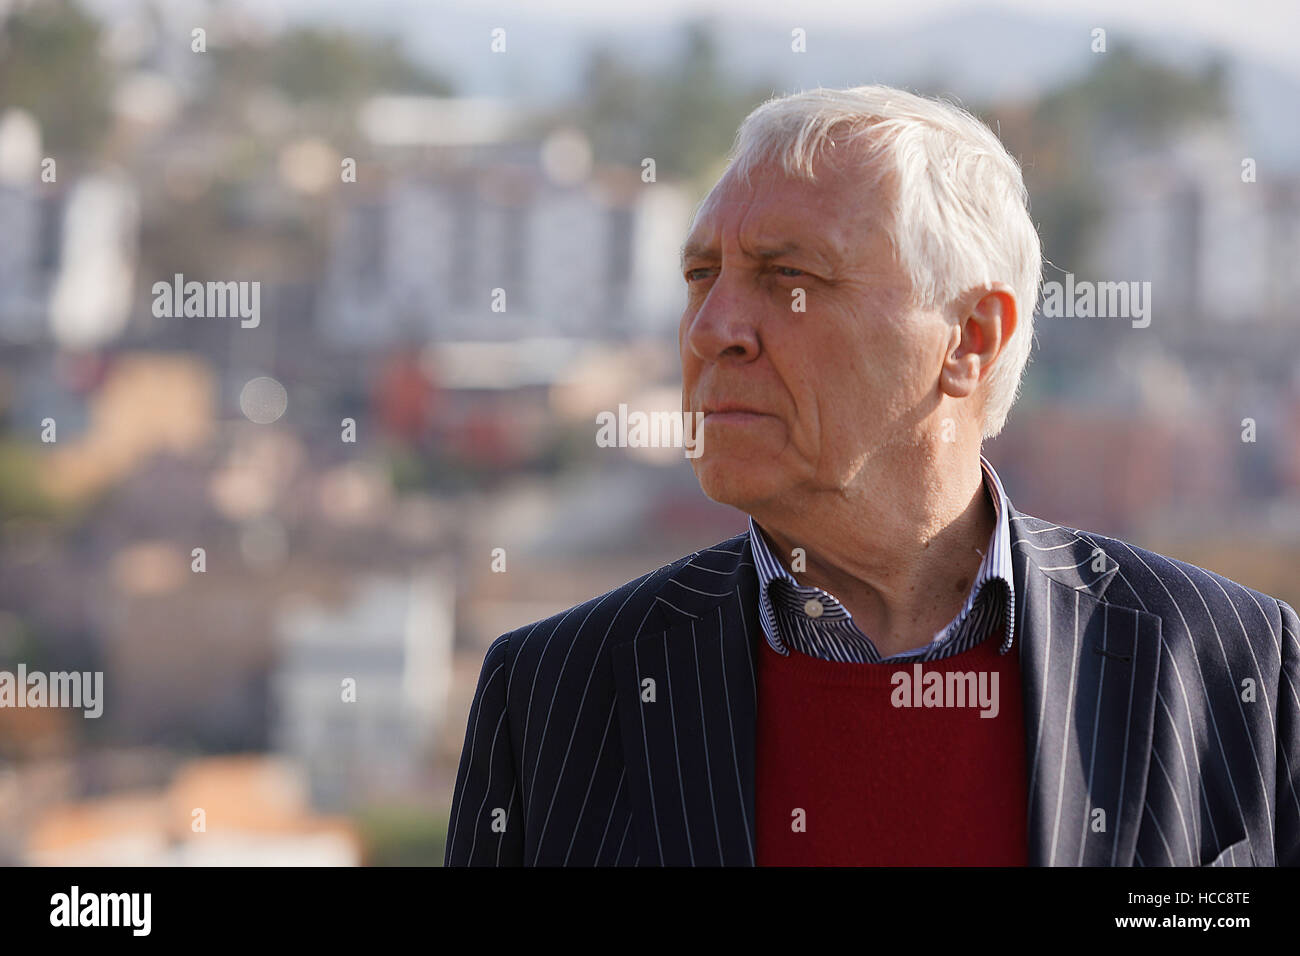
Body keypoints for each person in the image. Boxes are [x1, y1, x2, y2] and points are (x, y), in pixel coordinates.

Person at [444, 84, 1299, 866]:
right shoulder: (553, 696)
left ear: (971, 338)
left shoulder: (1231, 667)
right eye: (701, 275)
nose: (712, 329)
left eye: (788, 277)